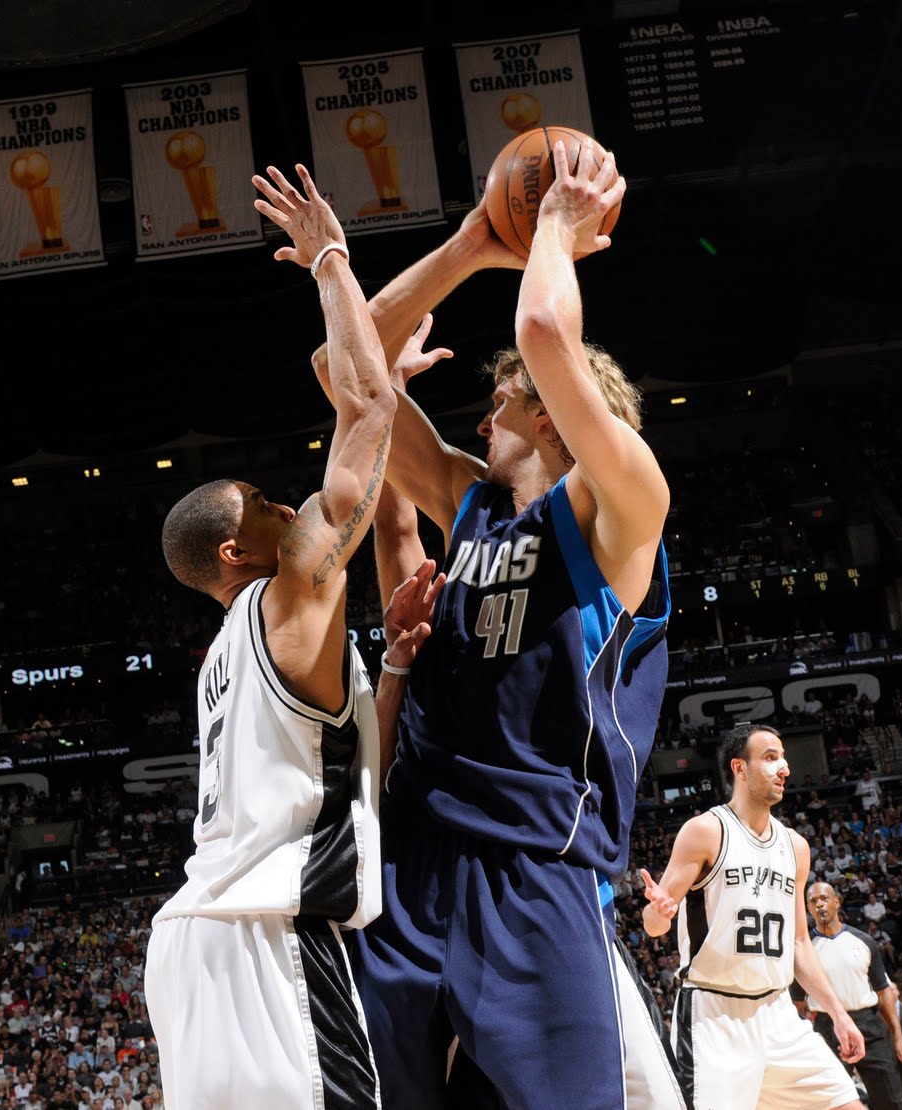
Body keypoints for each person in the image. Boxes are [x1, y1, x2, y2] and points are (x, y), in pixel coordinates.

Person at [319, 135, 678, 1107]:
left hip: (534, 866)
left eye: (501, 402)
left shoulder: (622, 507)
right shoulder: (469, 502)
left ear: (553, 414)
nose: (482, 419)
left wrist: (553, 226)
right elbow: (342, 369)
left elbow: (546, 331)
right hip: (415, 855)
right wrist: (475, 244)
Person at [143, 162, 414, 1110]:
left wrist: (395, 668)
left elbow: (334, 762)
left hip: (192, 949)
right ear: (235, 550)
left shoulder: (226, 659)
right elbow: (368, 410)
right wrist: (330, 257)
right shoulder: (289, 591)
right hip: (268, 938)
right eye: (261, 502)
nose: (281, 503)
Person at [641, 723, 865, 1109]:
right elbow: (653, 924)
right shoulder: (705, 831)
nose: (784, 768)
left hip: (778, 1012)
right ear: (739, 768)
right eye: (770, 757)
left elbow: (799, 943)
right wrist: (658, 912)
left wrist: (838, 1014)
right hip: (715, 1016)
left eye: (783, 758)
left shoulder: (795, 847)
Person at [806, 882, 902, 1110]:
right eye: (813, 901)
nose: (819, 904)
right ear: (808, 908)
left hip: (868, 1023)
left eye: (824, 898)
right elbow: (797, 1004)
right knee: (831, 1103)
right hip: (827, 1027)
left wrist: (898, 1037)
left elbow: (883, 991)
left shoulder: (864, 941)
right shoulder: (804, 949)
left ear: (836, 902)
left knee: (892, 1100)